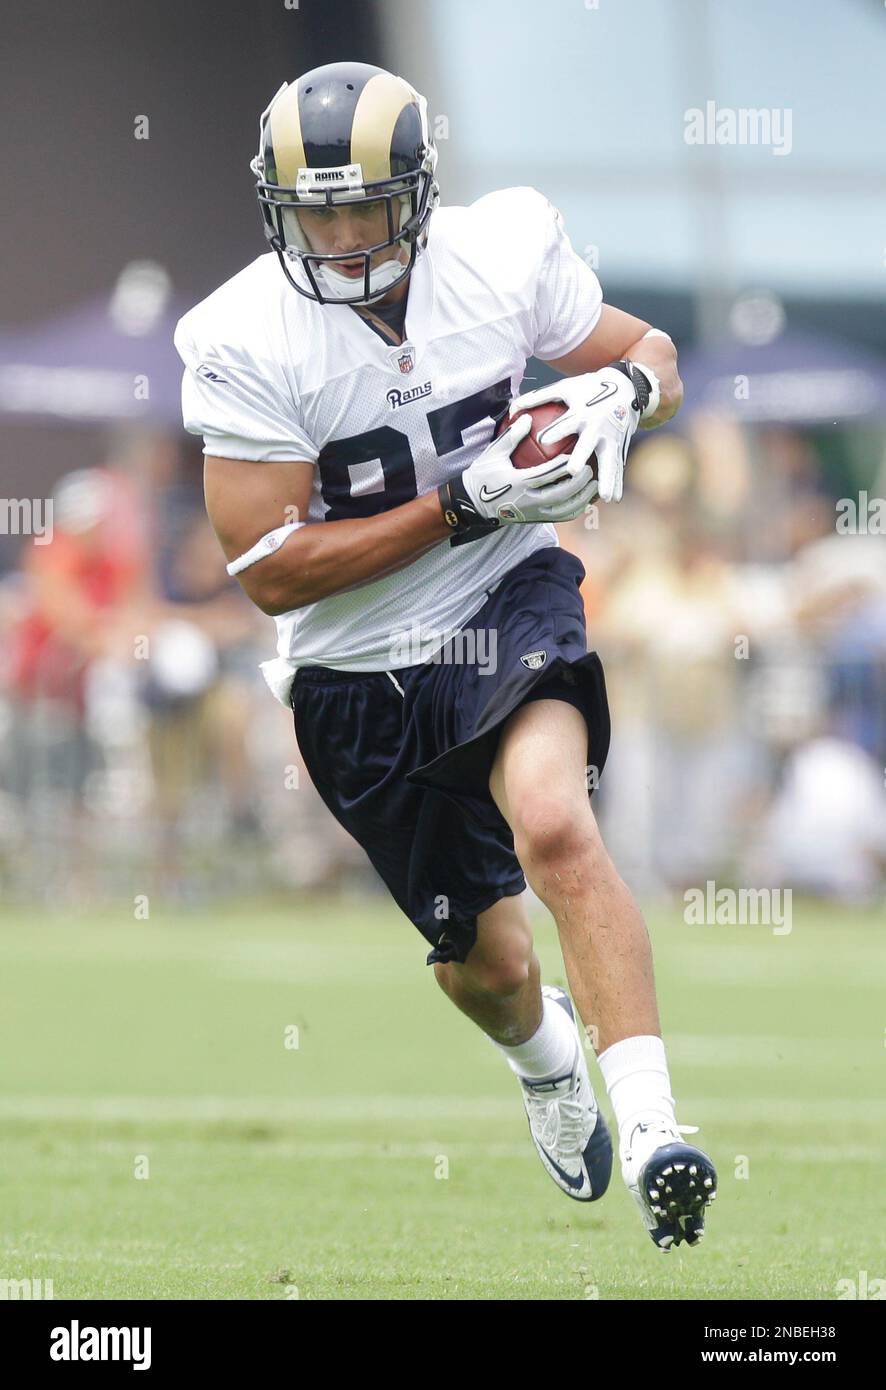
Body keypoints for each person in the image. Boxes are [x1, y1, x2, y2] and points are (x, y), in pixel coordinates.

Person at [174, 61, 716, 1250]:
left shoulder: (503, 250)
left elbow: (658, 356)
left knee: (558, 825)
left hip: (505, 593)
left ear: (417, 192)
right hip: (355, 670)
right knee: (487, 970)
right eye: (316, 209)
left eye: (364, 204)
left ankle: (660, 1136)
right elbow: (267, 565)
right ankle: (548, 1060)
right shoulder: (240, 334)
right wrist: (462, 499)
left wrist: (624, 393)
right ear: (275, 207)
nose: (342, 231)